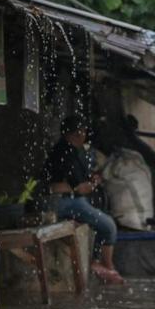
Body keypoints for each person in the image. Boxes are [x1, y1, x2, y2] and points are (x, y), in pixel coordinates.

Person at [42, 116, 123, 284]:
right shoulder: (64, 152)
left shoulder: (69, 150)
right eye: (83, 132)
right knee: (109, 226)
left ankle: (102, 264)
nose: (85, 135)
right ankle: (106, 267)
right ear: (76, 134)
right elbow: (66, 188)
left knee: (103, 220)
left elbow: (80, 181)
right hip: (64, 202)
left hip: (70, 201)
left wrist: (91, 181)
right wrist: (85, 186)